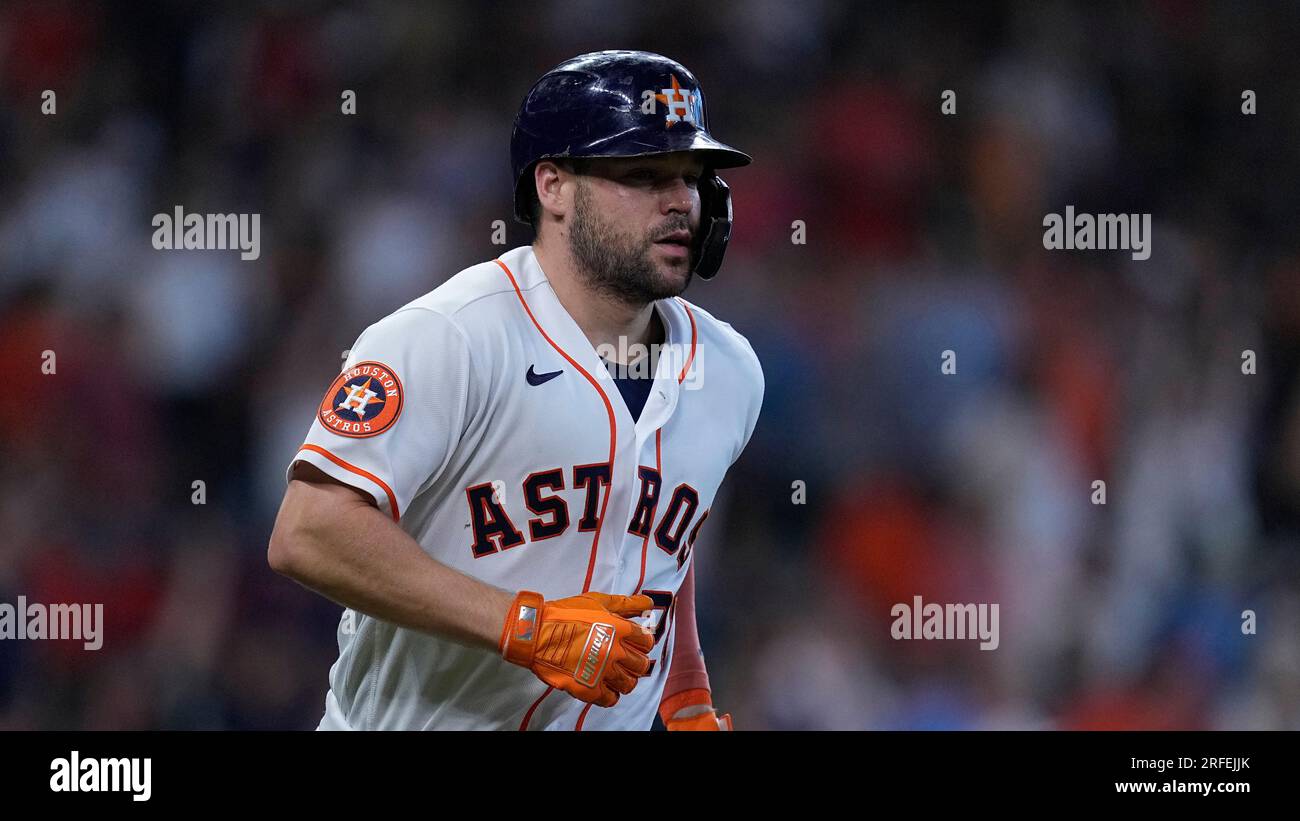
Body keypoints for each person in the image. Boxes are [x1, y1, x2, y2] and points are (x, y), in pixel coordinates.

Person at [268, 49, 762, 730]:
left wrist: (687, 700)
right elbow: (309, 532)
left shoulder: (730, 371)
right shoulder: (451, 337)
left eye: (692, 177)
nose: (681, 201)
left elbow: (660, 551)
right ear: (553, 187)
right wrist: (525, 627)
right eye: (643, 174)